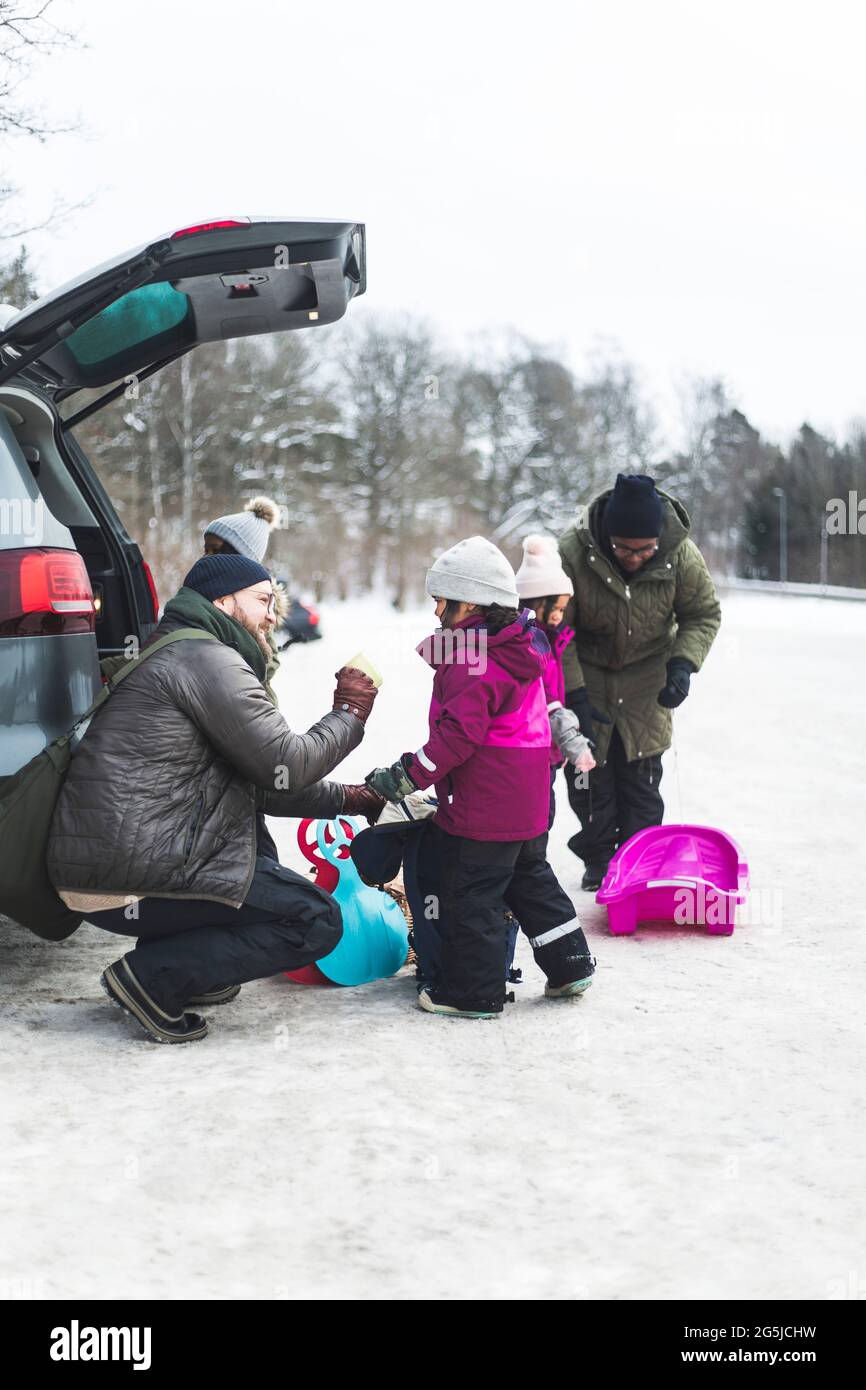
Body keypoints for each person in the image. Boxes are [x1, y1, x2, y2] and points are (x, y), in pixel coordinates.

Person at [47, 553, 383, 1045]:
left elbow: (266, 784)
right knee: (314, 919)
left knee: (255, 847)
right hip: (126, 880)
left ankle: (186, 966)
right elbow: (283, 764)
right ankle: (154, 977)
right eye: (263, 600)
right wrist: (350, 713)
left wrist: (352, 799)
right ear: (223, 601)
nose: (273, 615)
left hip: (113, 871)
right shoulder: (207, 659)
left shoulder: (184, 651)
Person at [364, 535, 596, 1019]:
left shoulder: (475, 660)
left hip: (487, 802)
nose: (435, 613)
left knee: (470, 894)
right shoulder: (517, 647)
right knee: (530, 879)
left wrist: (406, 775)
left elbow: (456, 738)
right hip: (529, 797)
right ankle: (570, 962)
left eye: (440, 601)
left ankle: (471, 993)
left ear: (469, 601)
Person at [557, 473, 722, 891]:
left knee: (642, 785)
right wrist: (574, 695)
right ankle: (598, 861)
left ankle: (640, 864)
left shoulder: (680, 555)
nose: (634, 557)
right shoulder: (573, 554)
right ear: (608, 537)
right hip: (589, 677)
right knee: (590, 782)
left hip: (649, 680)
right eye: (624, 549)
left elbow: (702, 613)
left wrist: (683, 664)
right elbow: (557, 631)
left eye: (644, 549)